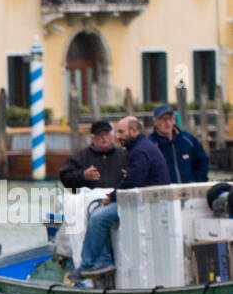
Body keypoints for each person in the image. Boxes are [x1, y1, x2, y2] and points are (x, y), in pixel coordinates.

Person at [70, 115, 170, 280]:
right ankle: (104, 261)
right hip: (144, 199)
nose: (117, 136)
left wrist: (112, 196)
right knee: (96, 211)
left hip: (146, 203)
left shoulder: (140, 151)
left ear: (134, 130)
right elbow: (134, 178)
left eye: (121, 132)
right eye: (116, 132)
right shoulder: (142, 147)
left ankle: (87, 264)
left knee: (98, 217)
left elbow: (132, 181)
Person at [148, 103, 209, 184]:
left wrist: (195, 180)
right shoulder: (150, 145)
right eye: (163, 119)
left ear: (174, 120)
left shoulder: (188, 140)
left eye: (170, 119)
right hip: (163, 193)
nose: (167, 123)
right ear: (154, 122)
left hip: (189, 191)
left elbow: (203, 161)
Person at [59, 119, 128, 189]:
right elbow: (65, 178)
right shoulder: (79, 157)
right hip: (90, 198)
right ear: (92, 138)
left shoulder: (124, 155)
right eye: (99, 134)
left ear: (112, 136)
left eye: (106, 134)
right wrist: (83, 176)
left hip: (118, 197)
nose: (104, 138)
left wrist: (128, 175)